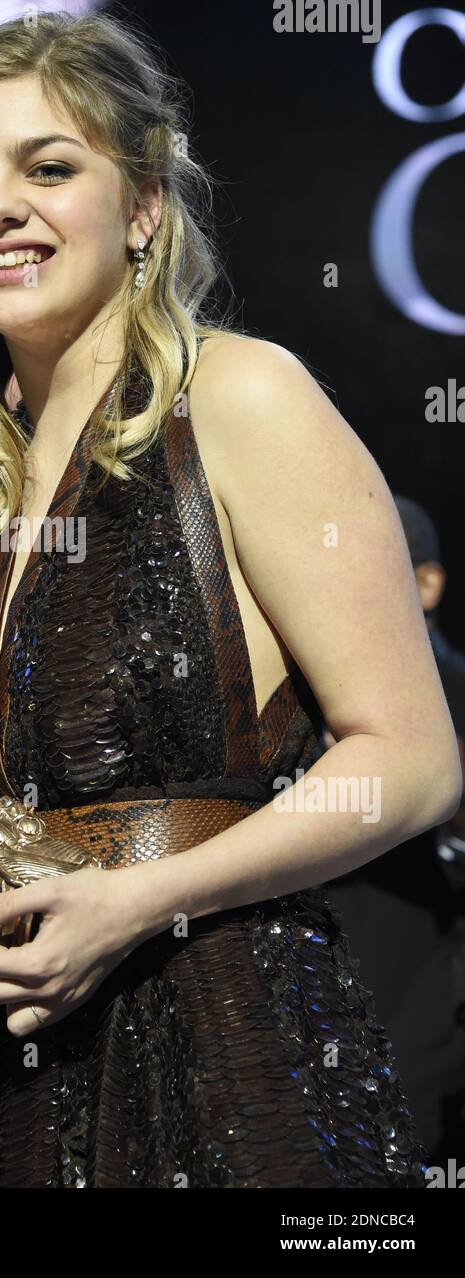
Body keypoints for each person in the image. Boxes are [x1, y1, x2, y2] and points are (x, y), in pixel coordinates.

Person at [0, 9, 461, 1189]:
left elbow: (411, 761)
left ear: (146, 205)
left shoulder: (242, 396)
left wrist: (134, 903)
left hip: (217, 1050)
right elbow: (27, 820)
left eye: (49, 167)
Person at [325, 495, 465, 1165]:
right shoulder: (298, 694)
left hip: (423, 982)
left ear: (426, 583)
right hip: (325, 969)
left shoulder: (453, 692)